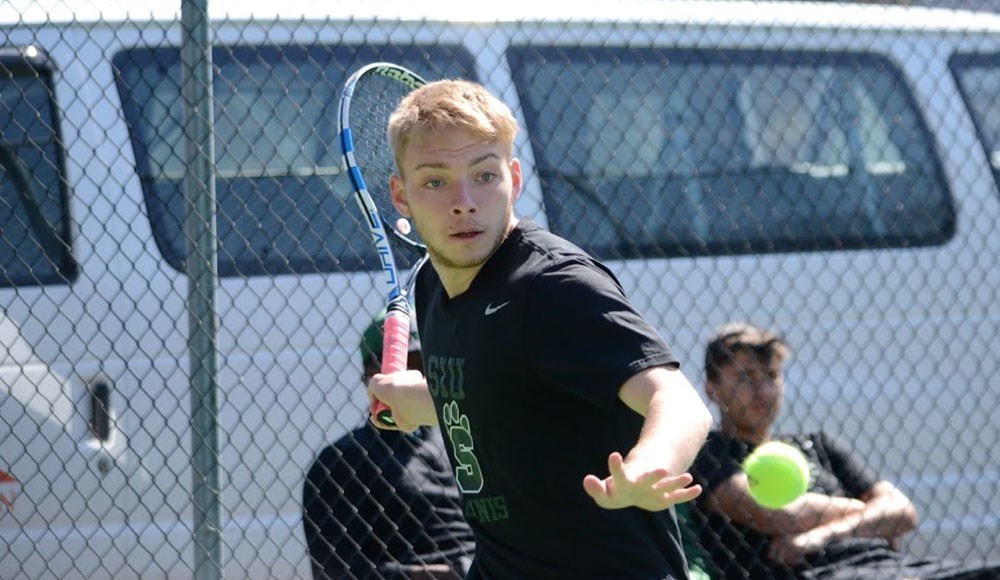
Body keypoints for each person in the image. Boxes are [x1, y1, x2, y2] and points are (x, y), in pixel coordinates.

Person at [365, 78, 714, 579]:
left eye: (484, 176)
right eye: (435, 182)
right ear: (401, 195)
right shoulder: (433, 290)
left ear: (514, 178)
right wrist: (422, 398)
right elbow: (502, 387)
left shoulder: (555, 286)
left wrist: (649, 464)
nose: (463, 201)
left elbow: (678, 401)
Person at [690, 321, 1000, 580]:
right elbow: (777, 515)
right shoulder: (707, 453)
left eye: (771, 375)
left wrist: (820, 535)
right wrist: (868, 514)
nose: (762, 390)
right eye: (745, 376)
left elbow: (904, 512)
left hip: (887, 566)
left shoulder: (819, 443)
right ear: (711, 389)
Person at [302, 309, 475, 579]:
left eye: (421, 364)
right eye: (401, 364)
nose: (413, 377)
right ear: (372, 376)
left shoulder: (457, 437)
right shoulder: (342, 461)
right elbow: (336, 572)